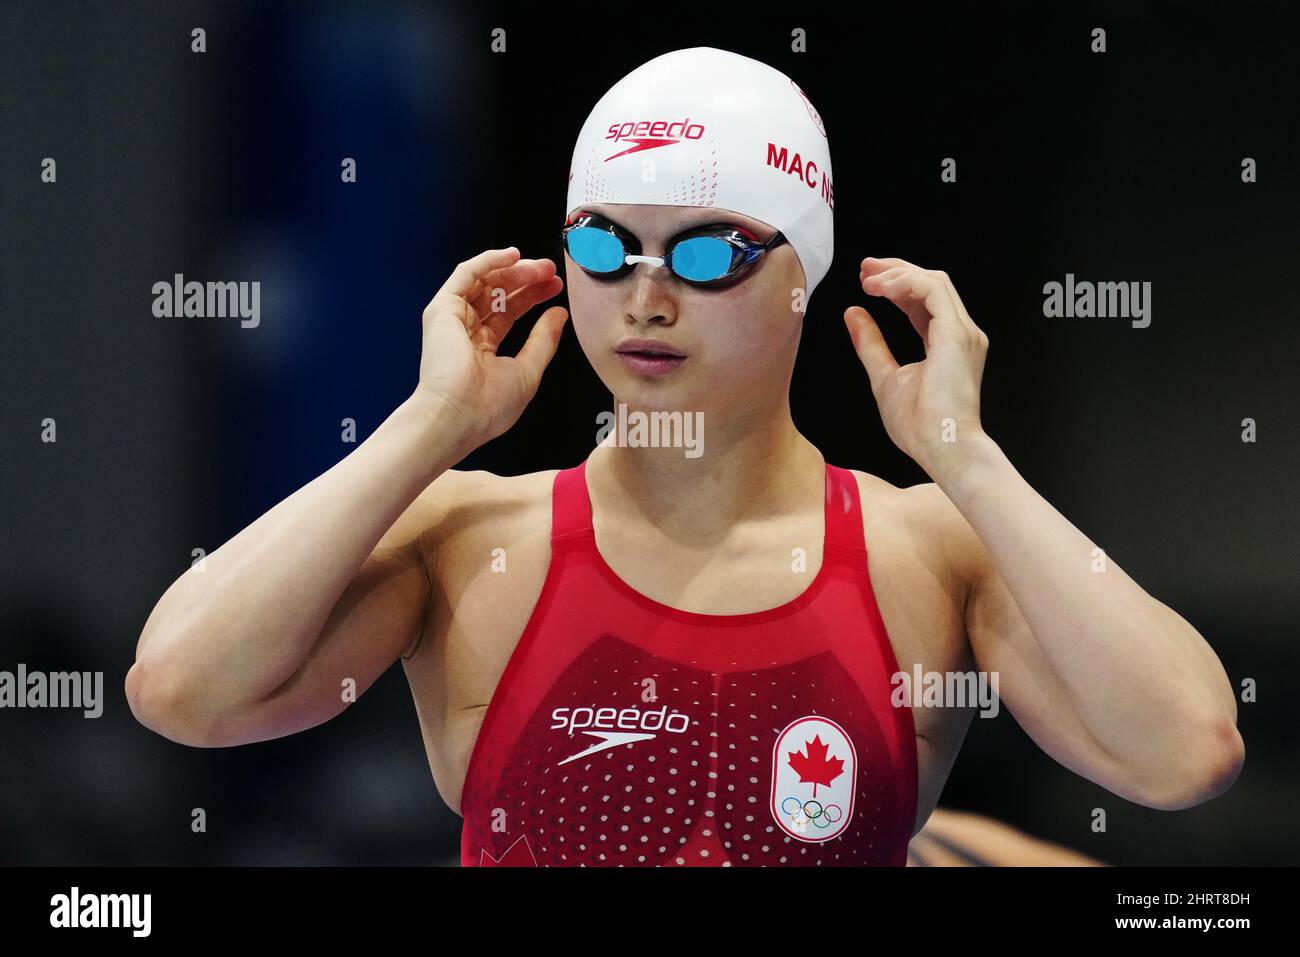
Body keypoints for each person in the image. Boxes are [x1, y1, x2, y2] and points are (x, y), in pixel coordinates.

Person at [127, 47, 1243, 867]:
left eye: (710, 253)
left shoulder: (925, 550)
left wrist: (970, 461)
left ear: (803, 273)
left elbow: (1181, 754)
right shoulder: (474, 540)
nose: (647, 297)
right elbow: (185, 693)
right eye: (605, 245)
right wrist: (428, 427)